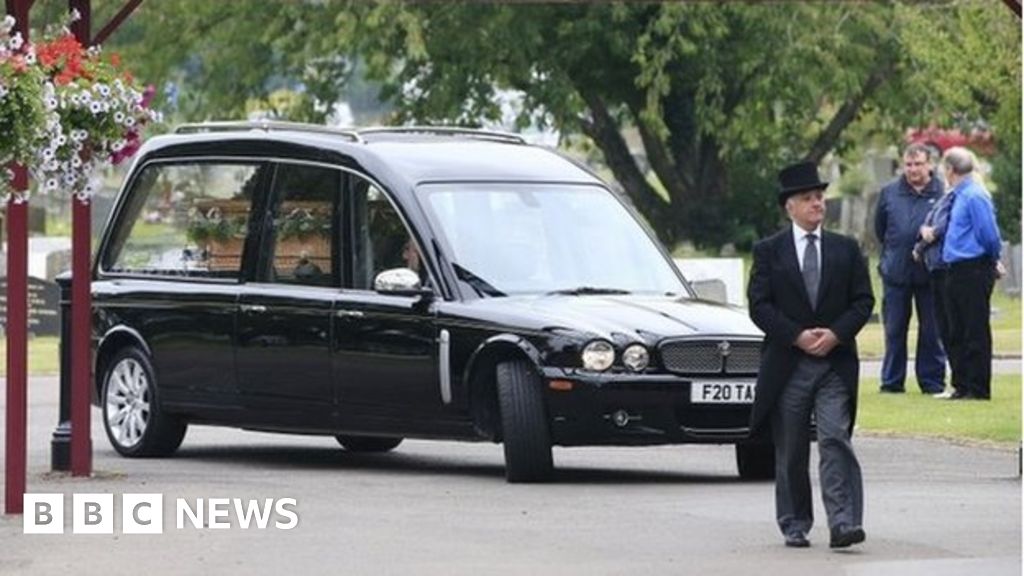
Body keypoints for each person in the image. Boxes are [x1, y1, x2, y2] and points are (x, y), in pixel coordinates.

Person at [747, 161, 875, 549]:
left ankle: (844, 522)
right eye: (808, 198)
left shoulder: (846, 249)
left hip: (834, 364)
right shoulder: (769, 251)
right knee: (791, 448)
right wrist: (797, 336)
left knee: (836, 438)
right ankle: (795, 522)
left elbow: (863, 300)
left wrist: (836, 334)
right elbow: (759, 305)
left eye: (820, 197)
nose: (818, 204)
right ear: (790, 206)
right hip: (789, 365)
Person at [873, 144, 946, 394]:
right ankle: (892, 382)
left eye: (918, 164)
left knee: (931, 331)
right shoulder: (889, 193)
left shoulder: (944, 192)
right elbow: (879, 229)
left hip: (931, 274)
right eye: (909, 164)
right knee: (894, 330)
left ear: (930, 165)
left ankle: (932, 382)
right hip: (896, 272)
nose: (913, 169)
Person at [939, 147, 1003, 400]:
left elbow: (989, 234)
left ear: (950, 170)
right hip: (955, 268)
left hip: (973, 267)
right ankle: (962, 383)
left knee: (974, 329)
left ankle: (977, 387)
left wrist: (992, 258)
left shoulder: (975, 195)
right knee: (957, 328)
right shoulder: (960, 195)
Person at [911, 185, 957, 398]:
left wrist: (927, 238)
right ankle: (891, 382)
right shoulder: (943, 198)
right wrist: (921, 241)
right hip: (928, 267)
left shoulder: (949, 196)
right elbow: (927, 224)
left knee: (940, 328)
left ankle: (946, 381)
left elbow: (943, 226)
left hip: (945, 267)